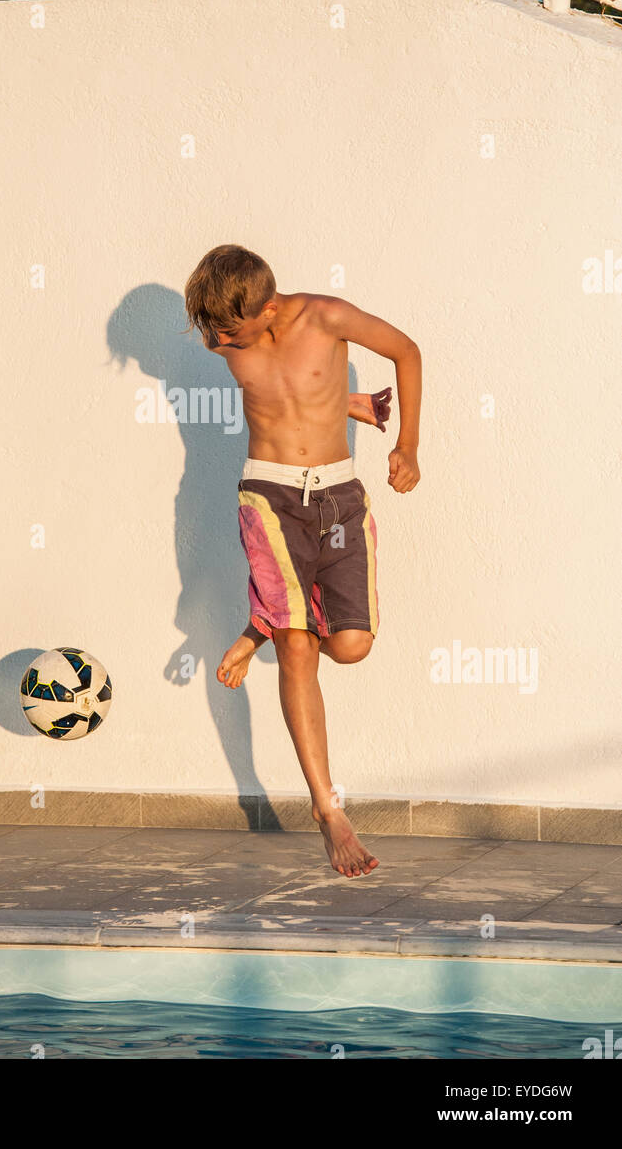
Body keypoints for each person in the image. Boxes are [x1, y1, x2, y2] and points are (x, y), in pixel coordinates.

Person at [184, 245, 422, 878]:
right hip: (269, 495)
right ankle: (327, 809)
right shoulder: (223, 335)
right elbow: (282, 393)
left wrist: (407, 445)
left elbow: (406, 351)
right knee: (299, 647)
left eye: (229, 331)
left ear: (267, 308)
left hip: (338, 495)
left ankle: (262, 619)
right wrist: (345, 402)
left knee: (350, 645)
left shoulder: (327, 316)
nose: (218, 343)